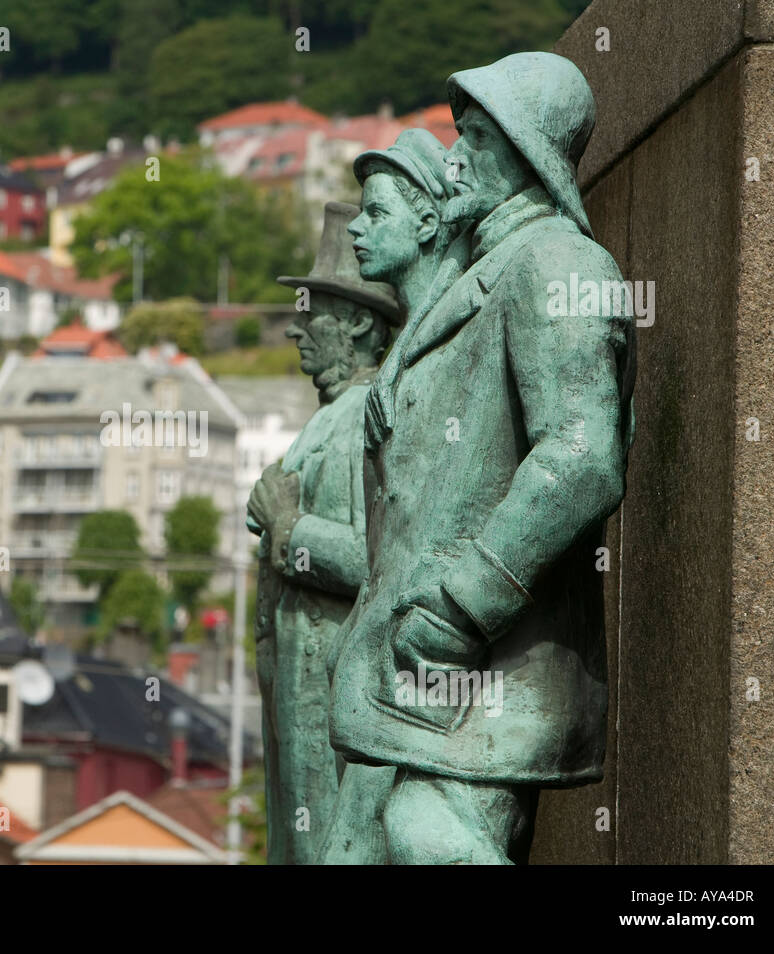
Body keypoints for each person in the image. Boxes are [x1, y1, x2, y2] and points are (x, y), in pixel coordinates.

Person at [327, 52, 638, 864]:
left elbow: (582, 456)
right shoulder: (491, 269)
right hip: (432, 676)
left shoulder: (556, 262)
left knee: (430, 844)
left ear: (524, 148)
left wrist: (462, 606)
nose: (453, 155)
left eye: (471, 135)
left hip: (483, 666)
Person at [318, 128, 455, 864]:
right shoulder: (416, 340)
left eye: (375, 212)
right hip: (382, 661)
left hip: (433, 656)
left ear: (429, 222)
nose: (359, 229)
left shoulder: (465, 321)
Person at [248, 200, 398, 864]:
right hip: (298, 683)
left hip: (335, 682)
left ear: (360, 321)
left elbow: (381, 559)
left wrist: (288, 527)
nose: (294, 330)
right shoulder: (328, 419)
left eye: (312, 313)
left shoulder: (369, 411)